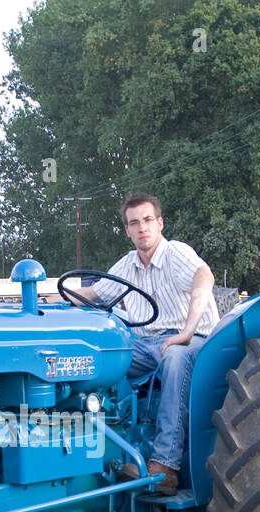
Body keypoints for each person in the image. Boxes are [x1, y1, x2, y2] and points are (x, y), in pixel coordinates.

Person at [73, 193, 218, 494]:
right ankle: (104, 449)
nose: (142, 228)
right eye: (134, 223)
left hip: (193, 340)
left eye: (148, 220)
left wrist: (187, 331)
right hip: (145, 343)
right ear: (127, 230)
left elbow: (204, 277)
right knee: (100, 359)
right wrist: (41, 300)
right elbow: (95, 294)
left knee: (175, 358)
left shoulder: (175, 253)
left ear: (160, 223)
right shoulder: (127, 265)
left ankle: (165, 466)